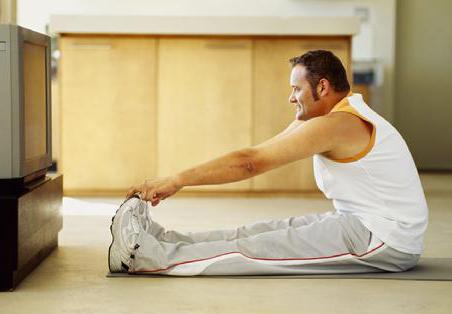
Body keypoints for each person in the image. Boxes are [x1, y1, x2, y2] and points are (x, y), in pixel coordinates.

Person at [108, 50, 428, 276]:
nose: (291, 98)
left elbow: (251, 164)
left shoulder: (340, 123)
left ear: (322, 87)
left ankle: (142, 258)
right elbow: (255, 153)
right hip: (361, 223)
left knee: (261, 247)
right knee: (256, 232)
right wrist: (177, 178)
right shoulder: (331, 114)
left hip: (385, 239)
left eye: (296, 89)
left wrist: (176, 179)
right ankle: (163, 240)